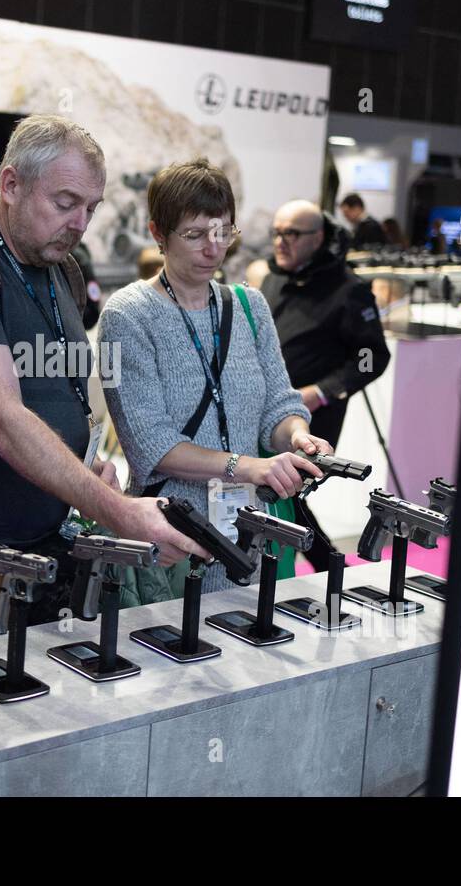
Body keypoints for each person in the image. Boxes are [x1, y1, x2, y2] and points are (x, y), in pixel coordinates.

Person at [0, 114, 206, 642]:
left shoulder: (61, 269)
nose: (80, 223)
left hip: (48, 543)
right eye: (65, 203)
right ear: (11, 184)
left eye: (91, 208)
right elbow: (5, 421)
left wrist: (87, 469)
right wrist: (118, 511)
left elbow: (58, 393)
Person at [100, 159, 331, 601]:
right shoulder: (127, 315)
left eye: (224, 231)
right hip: (174, 536)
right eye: (195, 234)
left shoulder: (249, 306)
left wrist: (298, 437)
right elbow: (151, 445)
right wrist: (247, 466)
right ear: (157, 233)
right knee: (172, 658)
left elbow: (278, 407)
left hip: (255, 528)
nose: (214, 248)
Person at [260, 200, 390, 571]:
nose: (281, 242)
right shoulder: (274, 279)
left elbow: (372, 358)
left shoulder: (349, 289)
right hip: (267, 409)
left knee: (289, 495)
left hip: (314, 416)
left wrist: (322, 391)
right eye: (277, 233)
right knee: (280, 495)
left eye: (292, 234)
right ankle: (326, 565)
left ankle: (331, 566)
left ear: (318, 238)